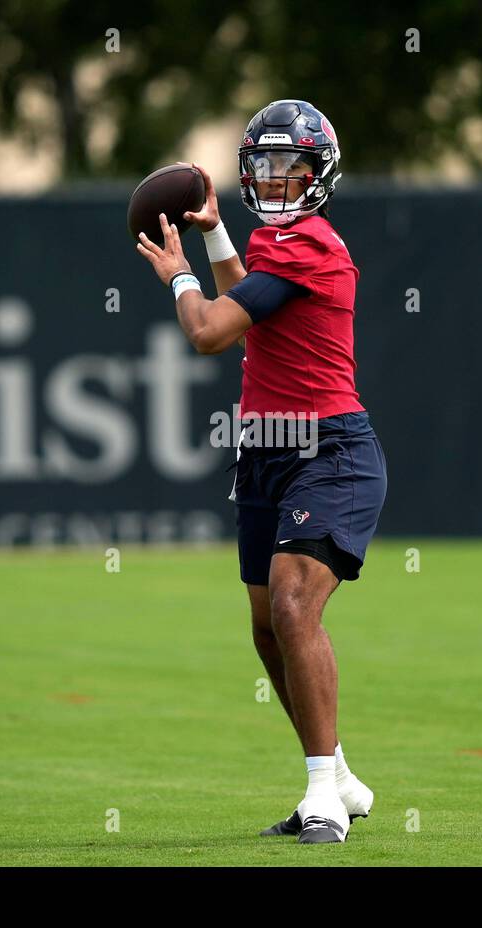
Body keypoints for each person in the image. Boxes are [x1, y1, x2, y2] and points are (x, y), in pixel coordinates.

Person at [135, 99, 387, 844]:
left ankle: (321, 799)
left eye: (291, 169)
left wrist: (179, 274)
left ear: (318, 176)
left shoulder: (310, 243)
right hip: (265, 448)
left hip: (330, 450)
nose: (276, 182)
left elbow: (212, 331)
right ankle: (337, 773)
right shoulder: (278, 248)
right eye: (265, 169)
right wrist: (211, 231)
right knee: (265, 628)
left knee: (291, 605)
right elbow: (253, 298)